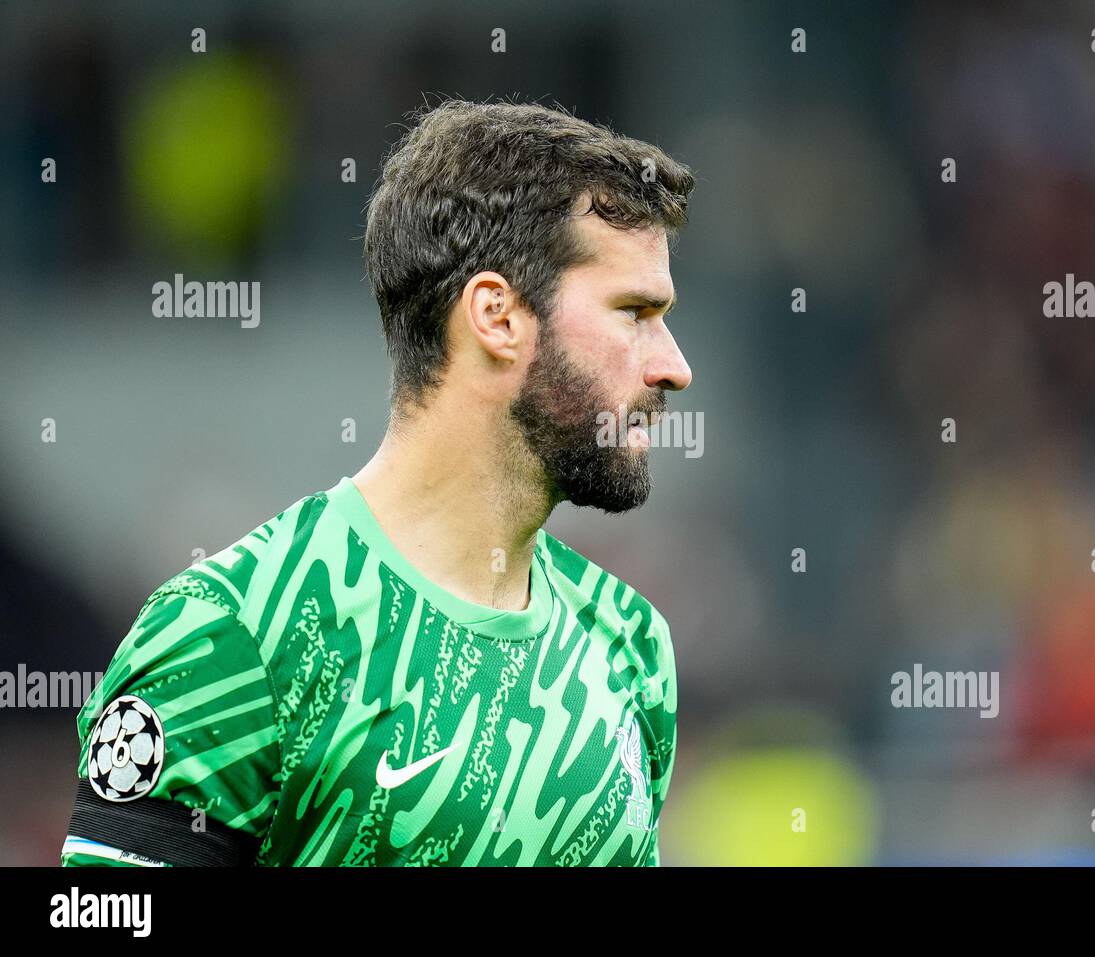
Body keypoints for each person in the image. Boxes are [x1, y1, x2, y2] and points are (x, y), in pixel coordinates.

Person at [62, 98, 695, 866]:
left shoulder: (629, 643)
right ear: (497, 317)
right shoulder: (234, 631)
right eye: (635, 312)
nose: (674, 366)